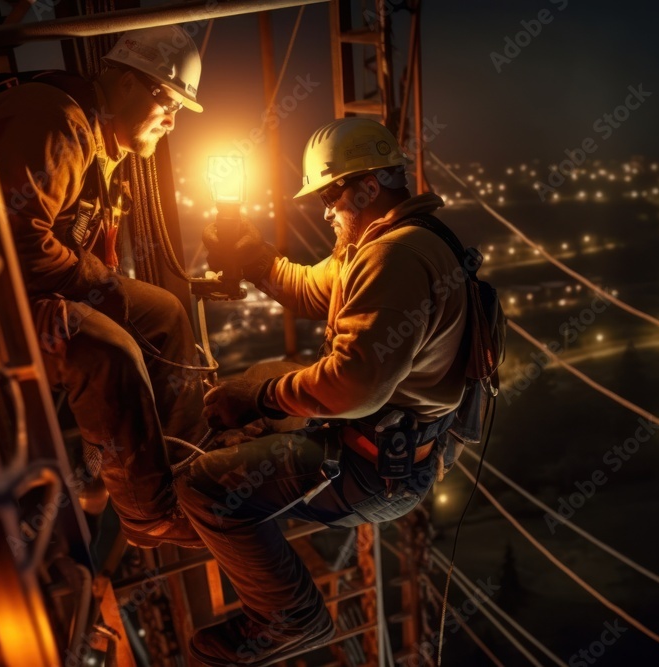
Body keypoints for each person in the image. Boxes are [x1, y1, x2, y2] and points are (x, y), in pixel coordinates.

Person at [178, 117, 472, 665]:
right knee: (259, 377)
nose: (325, 211)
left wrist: (258, 400)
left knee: (202, 487)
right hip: (386, 445)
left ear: (368, 187)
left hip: (373, 471)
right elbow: (317, 290)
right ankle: (236, 518)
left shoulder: (394, 257)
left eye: (330, 197)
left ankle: (288, 618)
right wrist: (256, 259)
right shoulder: (390, 242)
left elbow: (353, 387)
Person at [0, 25, 208, 548]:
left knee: (165, 313)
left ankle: (193, 475)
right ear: (126, 81)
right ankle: (150, 516)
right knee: (106, 352)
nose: (172, 120)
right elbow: (17, 242)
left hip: (20, 287)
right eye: (167, 101)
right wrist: (92, 286)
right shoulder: (54, 122)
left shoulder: (100, 145)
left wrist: (93, 286)